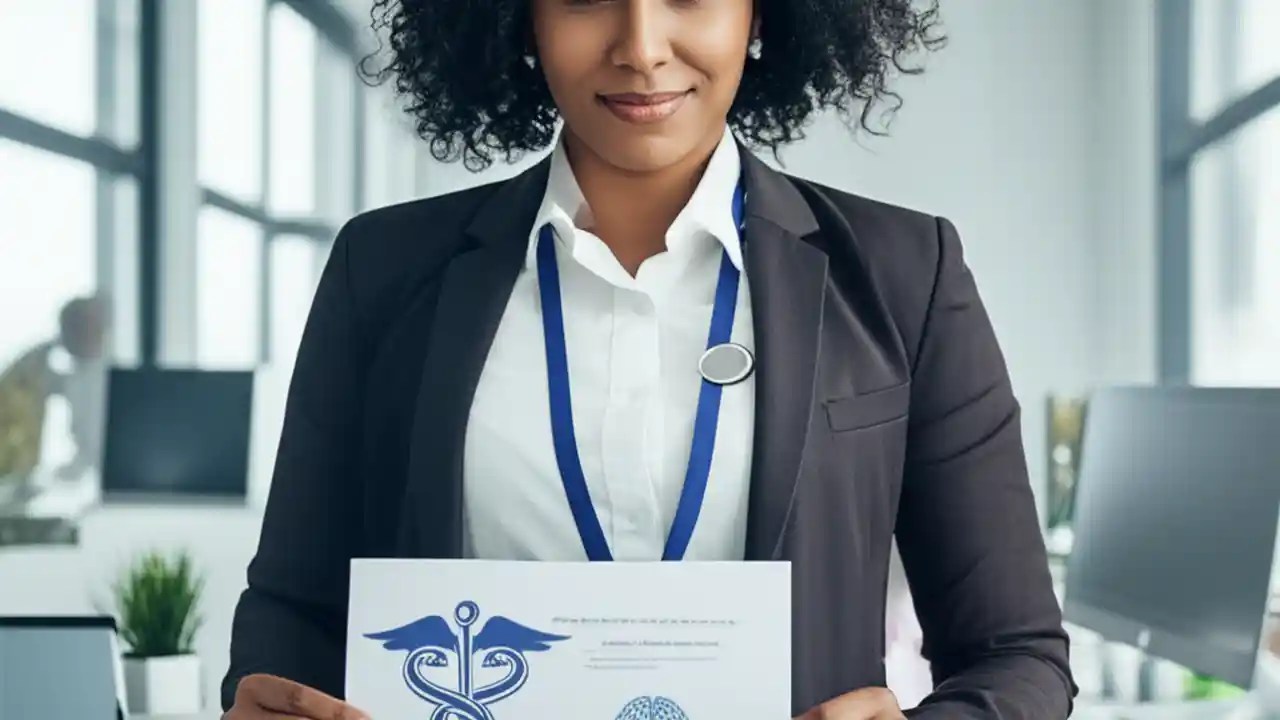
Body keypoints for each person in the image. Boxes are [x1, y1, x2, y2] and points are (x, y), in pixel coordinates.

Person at [223, 1, 1077, 718]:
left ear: (760, 14)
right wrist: (271, 696)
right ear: (519, 17)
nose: (640, 46)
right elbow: (294, 610)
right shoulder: (382, 271)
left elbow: (1017, 655)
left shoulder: (905, 275)